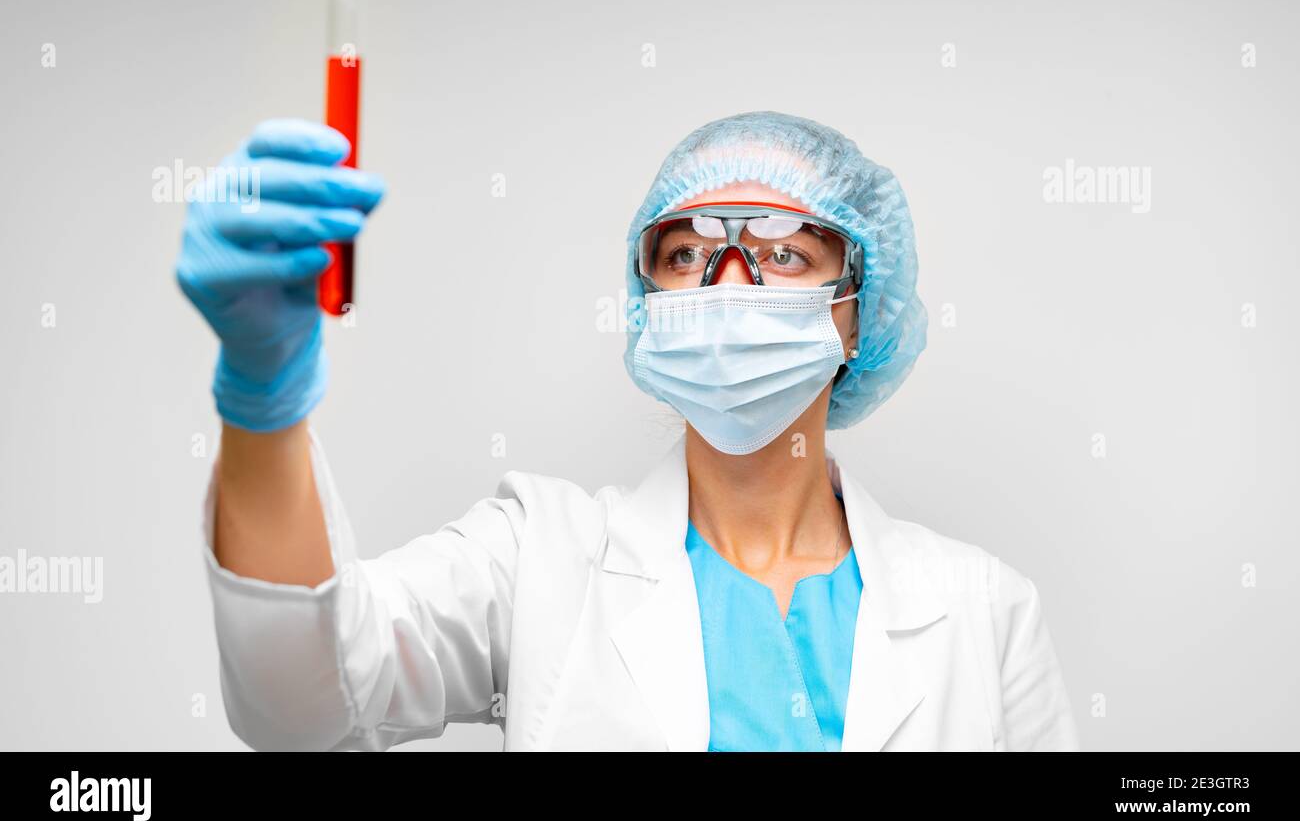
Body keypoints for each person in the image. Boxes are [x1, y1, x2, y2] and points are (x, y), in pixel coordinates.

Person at [176, 111, 1081, 751]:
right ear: (647, 305)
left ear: (858, 314)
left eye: (784, 252)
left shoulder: (983, 610)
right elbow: (302, 706)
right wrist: (264, 394)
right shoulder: (537, 556)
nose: (729, 283)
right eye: (686, 253)